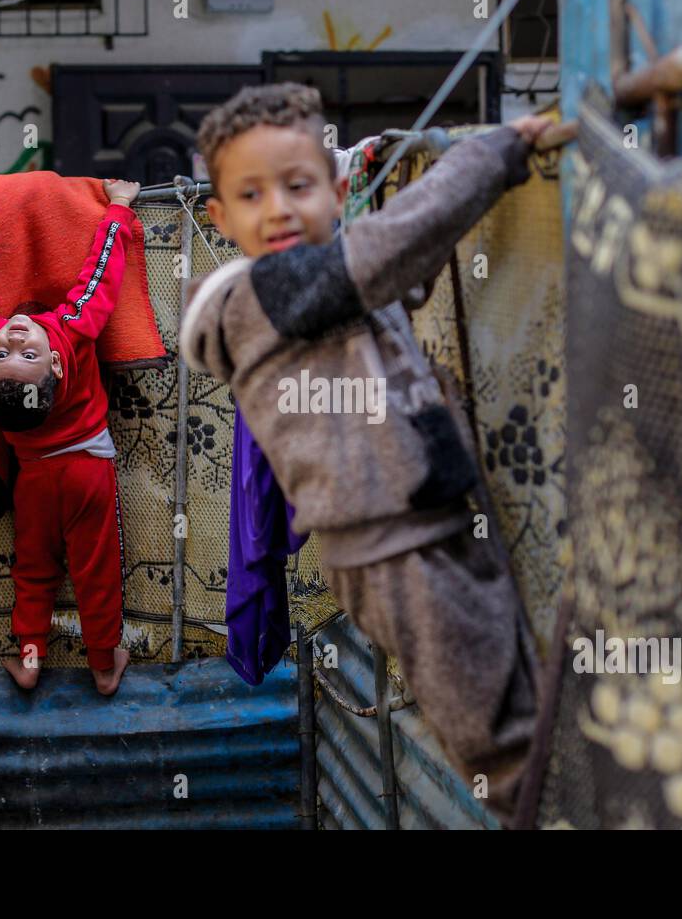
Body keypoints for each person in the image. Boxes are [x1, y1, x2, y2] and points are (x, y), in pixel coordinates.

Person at [180, 83, 551, 823]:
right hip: (394, 553)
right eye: (251, 195)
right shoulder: (254, 299)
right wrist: (494, 154)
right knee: (500, 744)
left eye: (297, 185)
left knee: (523, 699)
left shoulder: (319, 288)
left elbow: (385, 281)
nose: (278, 208)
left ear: (339, 187)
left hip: (431, 525)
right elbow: (388, 250)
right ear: (218, 219)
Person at [0, 177, 140, 695]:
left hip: (35, 481)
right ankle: (104, 664)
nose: (13, 340)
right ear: (58, 371)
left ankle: (29, 658)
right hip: (88, 473)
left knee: (34, 569)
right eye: (19, 355)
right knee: (97, 569)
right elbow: (102, 271)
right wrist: (119, 208)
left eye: (3, 354)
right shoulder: (72, 328)